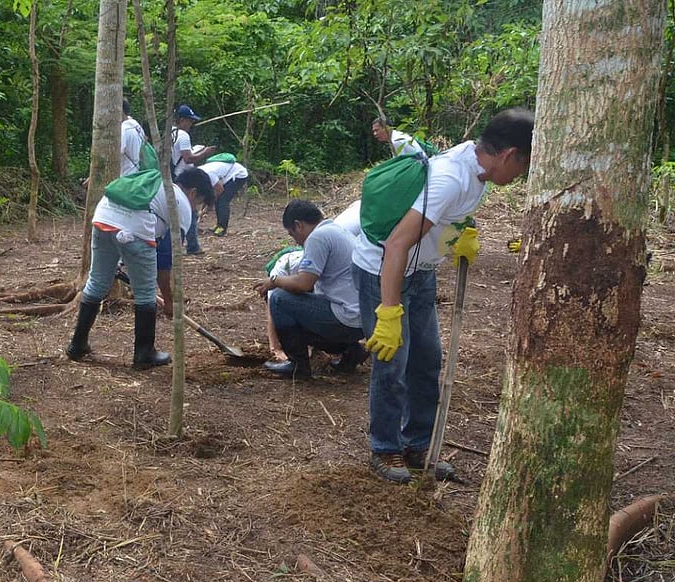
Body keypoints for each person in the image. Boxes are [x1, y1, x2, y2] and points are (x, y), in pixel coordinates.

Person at [354, 107, 534, 484]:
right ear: (508, 154)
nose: (520, 176)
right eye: (523, 166)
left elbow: (445, 211)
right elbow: (396, 245)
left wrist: (463, 230)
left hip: (420, 273)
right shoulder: (450, 179)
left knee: (427, 360)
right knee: (393, 362)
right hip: (384, 271)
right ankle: (385, 448)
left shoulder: (475, 162)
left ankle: (419, 444)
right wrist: (389, 313)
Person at [67, 168, 216, 369]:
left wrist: (120, 264)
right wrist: (170, 300)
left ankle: (77, 345)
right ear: (193, 192)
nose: (195, 208)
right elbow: (164, 261)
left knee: (96, 283)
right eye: (198, 202)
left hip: (102, 218)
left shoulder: (156, 185)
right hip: (134, 230)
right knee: (145, 293)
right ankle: (144, 354)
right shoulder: (179, 203)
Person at [253, 200, 365, 380]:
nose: (295, 241)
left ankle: (297, 365)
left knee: (280, 299)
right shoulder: (337, 231)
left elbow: (303, 283)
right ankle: (352, 351)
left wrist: (274, 281)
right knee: (302, 309)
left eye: (292, 234)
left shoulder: (318, 237)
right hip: (362, 319)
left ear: (298, 225)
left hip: (345, 317)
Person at [170, 105, 217, 255]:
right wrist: (205, 152)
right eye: (189, 121)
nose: (191, 124)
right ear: (182, 120)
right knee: (190, 210)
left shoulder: (170, 133)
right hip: (184, 178)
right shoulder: (183, 135)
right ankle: (192, 246)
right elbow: (188, 157)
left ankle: (185, 244)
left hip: (174, 176)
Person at [199, 156, 250, 236]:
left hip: (238, 174)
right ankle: (218, 226)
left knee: (223, 201)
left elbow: (219, 190)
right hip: (226, 176)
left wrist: (209, 205)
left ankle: (222, 229)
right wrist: (204, 207)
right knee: (218, 200)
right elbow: (209, 193)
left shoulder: (209, 174)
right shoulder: (200, 173)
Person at [120, 99, 148, 176]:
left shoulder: (123, 129)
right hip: (138, 171)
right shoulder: (137, 126)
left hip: (125, 174)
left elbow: (118, 153)